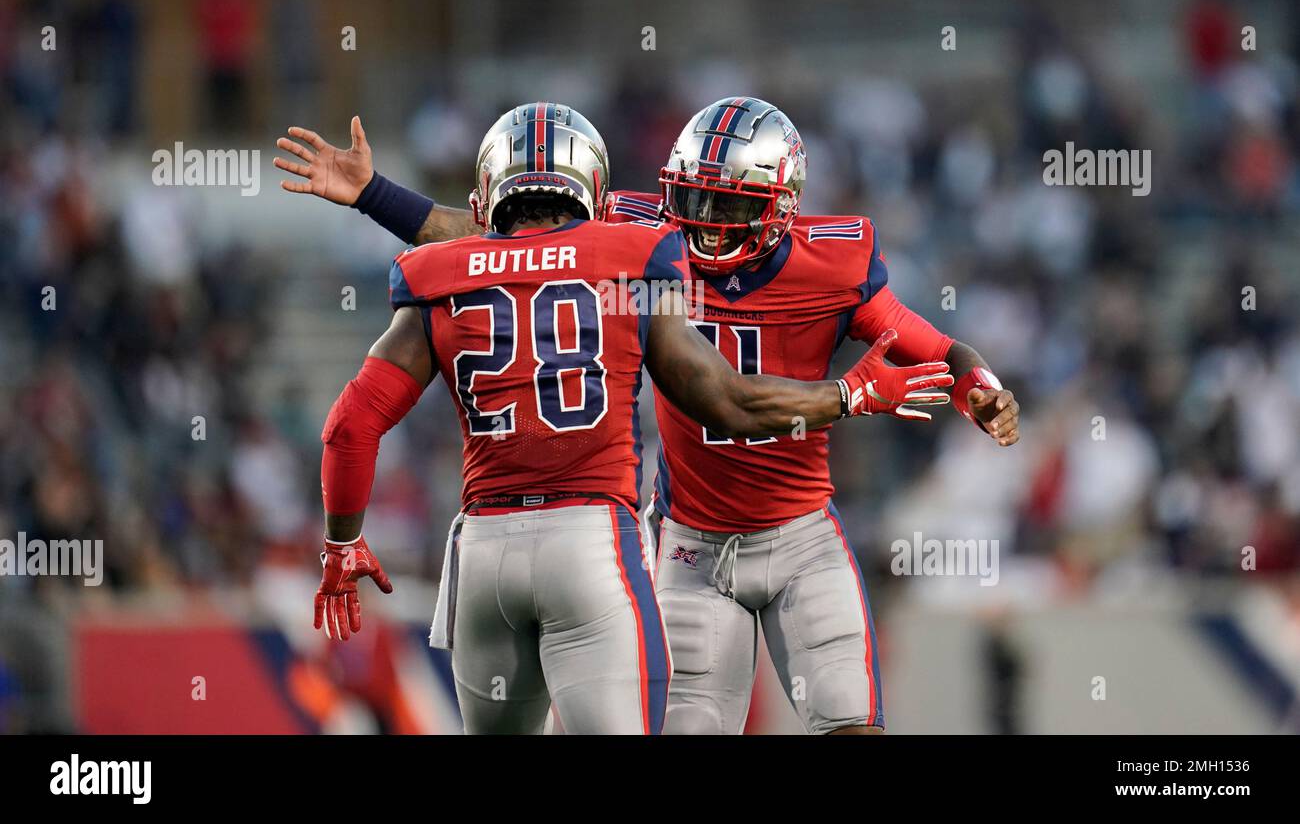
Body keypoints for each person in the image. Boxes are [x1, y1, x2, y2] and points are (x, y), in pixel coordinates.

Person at [295, 103, 954, 734]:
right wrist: (849, 396)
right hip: (590, 540)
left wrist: (341, 544)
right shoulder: (632, 259)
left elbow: (351, 424)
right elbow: (725, 399)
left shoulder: (443, 271)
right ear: (595, 189)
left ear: (487, 193)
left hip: (483, 551)